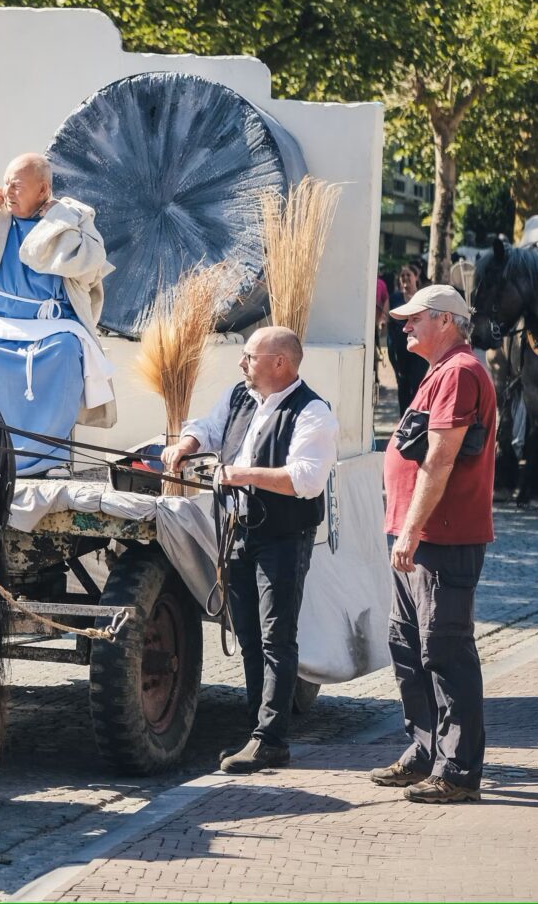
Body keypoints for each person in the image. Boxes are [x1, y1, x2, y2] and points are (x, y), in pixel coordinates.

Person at [162, 326, 338, 774]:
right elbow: (208, 427)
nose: (242, 363)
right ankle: (255, 728)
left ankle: (271, 739)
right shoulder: (239, 397)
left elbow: (306, 479)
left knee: (277, 635)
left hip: (283, 536)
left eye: (249, 356)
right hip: (239, 533)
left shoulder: (313, 412)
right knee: (249, 635)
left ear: (280, 363)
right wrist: (186, 445)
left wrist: (243, 475)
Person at [373, 284, 495, 804]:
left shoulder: (461, 372)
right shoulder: (443, 370)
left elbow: (440, 458)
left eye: (413, 319)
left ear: (445, 321)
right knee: (408, 646)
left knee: (444, 649)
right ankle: (425, 753)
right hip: (421, 535)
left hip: (440, 538)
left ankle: (460, 769)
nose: (404, 328)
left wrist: (412, 529)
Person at [0, 152, 117, 473]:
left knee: (66, 353)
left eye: (18, 186)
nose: (9, 192)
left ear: (43, 190)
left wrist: (56, 222)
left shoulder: (73, 216)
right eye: (7, 183)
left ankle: (50, 457)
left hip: (52, 325)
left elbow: (90, 262)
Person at [387, 262, 429, 415]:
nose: (405, 278)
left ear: (416, 277)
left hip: (418, 350)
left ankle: (417, 417)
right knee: (402, 384)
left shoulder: (422, 298)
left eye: (408, 275)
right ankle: (404, 420)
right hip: (399, 351)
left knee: (417, 383)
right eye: (402, 276)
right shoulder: (394, 298)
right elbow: (386, 317)